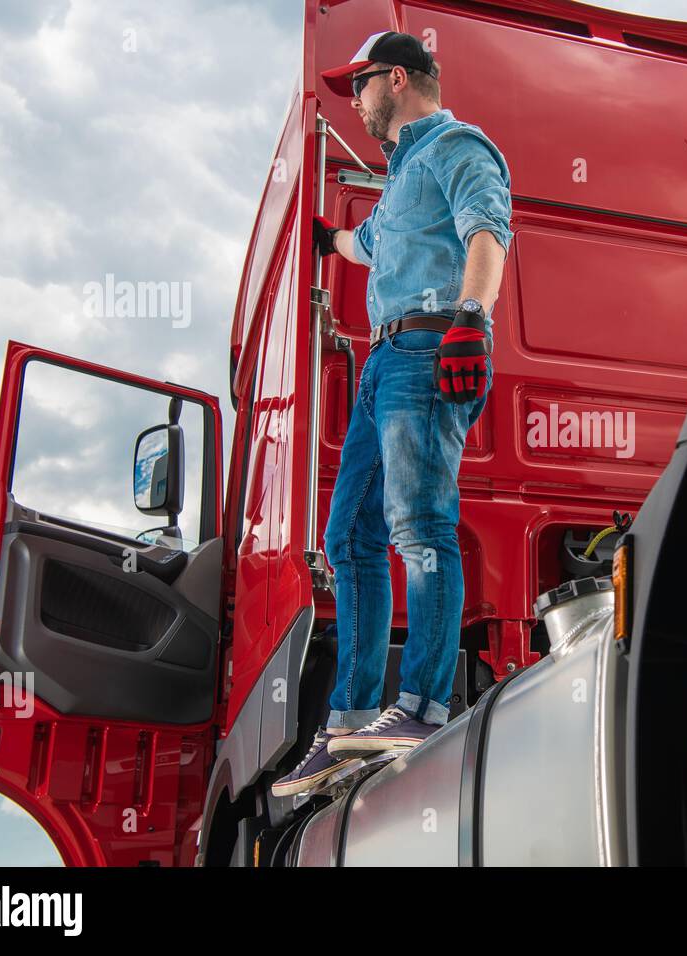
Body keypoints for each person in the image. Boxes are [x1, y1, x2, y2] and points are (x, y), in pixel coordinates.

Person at [273, 30, 512, 798]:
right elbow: (364, 244)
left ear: (398, 79)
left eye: (362, 85)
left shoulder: (456, 147)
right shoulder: (400, 175)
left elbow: (487, 232)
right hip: (381, 361)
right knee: (349, 536)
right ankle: (350, 718)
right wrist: (318, 239)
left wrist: (471, 316)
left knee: (419, 526)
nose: (358, 100)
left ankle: (423, 706)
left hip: (429, 351)